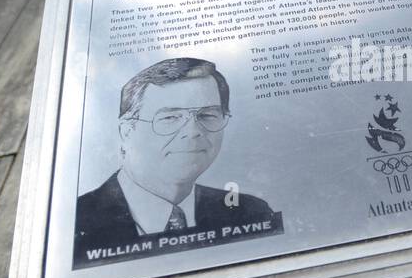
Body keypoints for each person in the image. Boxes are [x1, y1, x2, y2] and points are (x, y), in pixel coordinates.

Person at [74, 57, 278, 265]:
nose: (192, 133)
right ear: (127, 131)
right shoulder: (75, 224)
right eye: (169, 118)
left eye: (207, 115)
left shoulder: (251, 213)